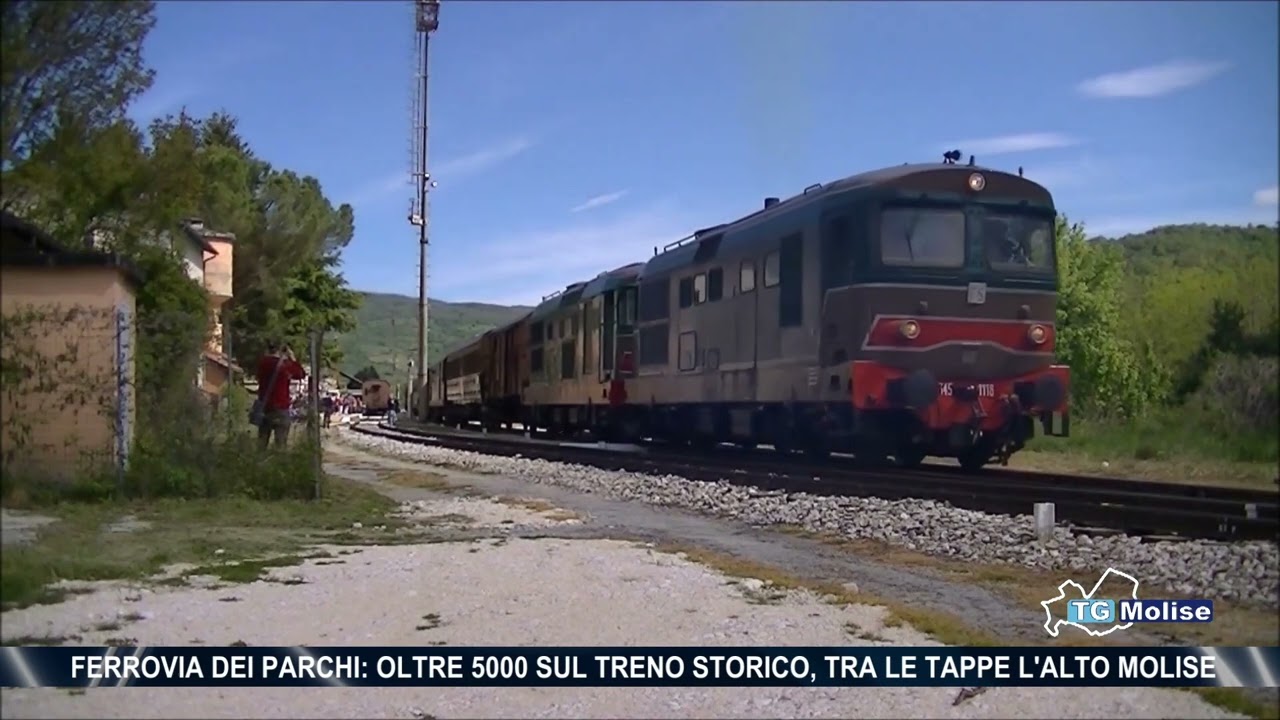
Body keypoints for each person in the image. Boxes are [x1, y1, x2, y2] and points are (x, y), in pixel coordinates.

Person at [255, 342, 307, 450]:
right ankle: (279, 459)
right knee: (281, 443)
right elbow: (301, 374)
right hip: (281, 407)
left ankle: (259, 459)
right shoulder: (285, 365)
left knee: (262, 443)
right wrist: (292, 358)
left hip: (265, 407)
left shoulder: (263, 363)